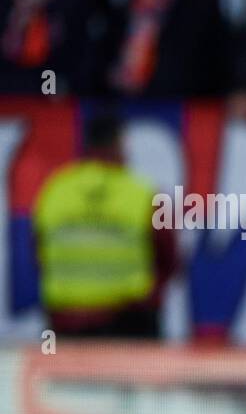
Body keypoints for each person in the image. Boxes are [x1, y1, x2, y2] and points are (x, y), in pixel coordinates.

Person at [33, 113, 178, 339]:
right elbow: (169, 261)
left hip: (65, 326)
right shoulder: (144, 194)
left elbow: (39, 253)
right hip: (129, 326)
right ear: (120, 143)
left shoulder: (54, 190)